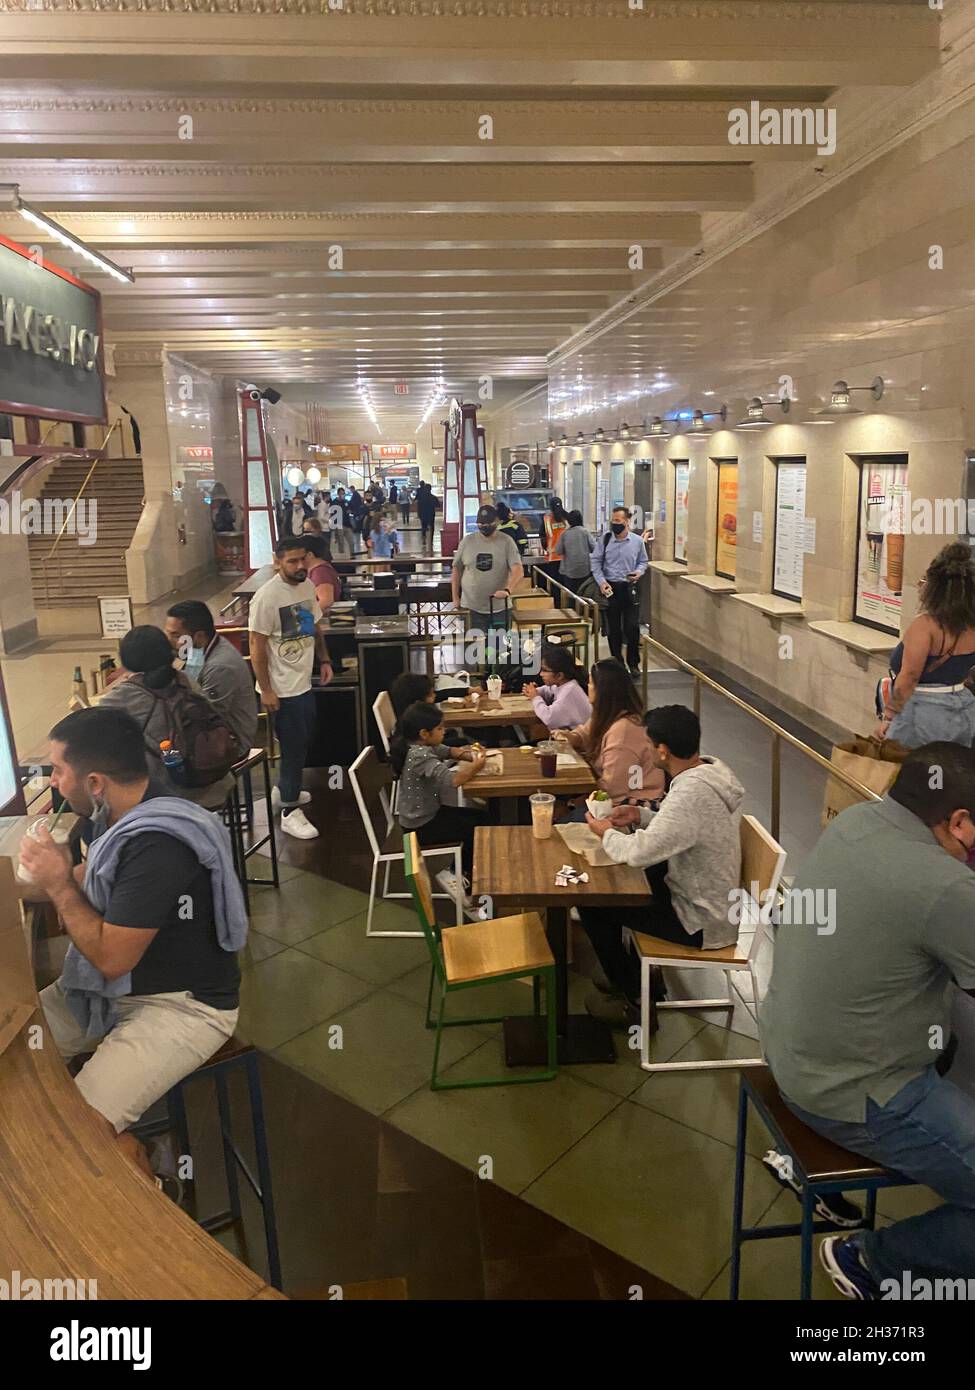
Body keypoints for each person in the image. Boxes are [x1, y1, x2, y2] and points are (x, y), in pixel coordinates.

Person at [760, 742, 975, 1299]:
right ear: (959, 822)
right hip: (851, 1093)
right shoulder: (944, 885)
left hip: (788, 1051)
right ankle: (872, 1260)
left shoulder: (856, 820)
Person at [20, 706, 245, 1189]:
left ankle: (151, 1181)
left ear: (96, 782)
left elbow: (111, 956)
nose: (53, 783)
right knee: (14, 1053)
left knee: (73, 1135)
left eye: (58, 771)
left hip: (182, 1007)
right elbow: (89, 878)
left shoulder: (156, 845)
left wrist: (58, 886)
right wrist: (29, 881)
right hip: (118, 989)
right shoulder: (121, 812)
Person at [580, 703, 744, 1027]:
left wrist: (606, 832)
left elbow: (640, 852)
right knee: (619, 881)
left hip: (699, 920)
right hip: (706, 898)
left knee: (594, 901)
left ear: (663, 751)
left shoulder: (689, 794)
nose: (648, 750)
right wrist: (640, 816)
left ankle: (634, 999)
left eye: (650, 744)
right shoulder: (706, 774)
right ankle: (635, 976)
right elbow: (684, 831)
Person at [248, 536, 333, 840]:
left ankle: (287, 789)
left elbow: (315, 625)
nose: (298, 566)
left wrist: (324, 660)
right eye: (291, 561)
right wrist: (267, 689)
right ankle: (288, 809)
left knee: (301, 741)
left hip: (302, 681)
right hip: (282, 688)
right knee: (294, 746)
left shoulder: (307, 586)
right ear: (277, 561)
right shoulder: (267, 597)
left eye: (302, 560)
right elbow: (256, 645)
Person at [99, 625, 234, 810]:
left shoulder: (123, 697)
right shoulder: (184, 680)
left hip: (170, 798)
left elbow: (92, 729)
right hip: (216, 784)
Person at [875, 542, 975, 748]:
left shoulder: (925, 626)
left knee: (907, 773)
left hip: (921, 714)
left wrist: (889, 717)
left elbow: (909, 677)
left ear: (935, 587)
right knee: (951, 774)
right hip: (963, 710)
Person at [390, 700, 487, 907]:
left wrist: (466, 753)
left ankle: (456, 870)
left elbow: (446, 750)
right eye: (440, 728)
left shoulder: (419, 745)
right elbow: (454, 781)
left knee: (482, 819)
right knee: (477, 829)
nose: (444, 731)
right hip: (420, 826)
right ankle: (458, 878)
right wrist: (477, 765)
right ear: (424, 734)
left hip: (424, 815)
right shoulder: (419, 755)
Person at [557, 658, 664, 807]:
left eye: (590, 683)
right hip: (607, 796)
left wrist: (576, 803)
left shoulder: (624, 730)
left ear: (602, 690)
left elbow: (613, 788)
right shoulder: (606, 715)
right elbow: (584, 733)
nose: (587, 687)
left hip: (632, 804)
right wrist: (570, 737)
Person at [164, 601, 258, 761]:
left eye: (176, 635)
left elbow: (205, 716)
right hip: (207, 730)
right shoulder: (197, 648)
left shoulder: (220, 667)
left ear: (199, 635)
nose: (169, 640)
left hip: (230, 742)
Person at [451, 504, 524, 656]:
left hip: (499, 608)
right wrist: (455, 597)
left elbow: (518, 570)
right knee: (474, 652)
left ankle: (497, 677)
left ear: (496, 522)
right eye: (481, 523)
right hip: (471, 607)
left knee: (500, 650)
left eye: (488, 523)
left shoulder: (507, 542)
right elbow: (456, 569)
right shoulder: (467, 542)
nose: (484, 526)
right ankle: (479, 677)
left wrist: (508, 590)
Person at [592, 505, 648, 676]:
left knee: (632, 627)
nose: (614, 523)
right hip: (611, 588)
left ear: (627, 521)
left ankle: (633, 662)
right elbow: (595, 562)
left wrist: (638, 572)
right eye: (613, 520)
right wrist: (602, 582)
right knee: (614, 628)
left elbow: (643, 561)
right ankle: (617, 661)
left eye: (618, 521)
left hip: (630, 587)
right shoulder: (605, 540)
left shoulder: (637, 541)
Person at [522, 645, 592, 730]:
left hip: (581, 740)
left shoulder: (569, 691)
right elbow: (548, 690)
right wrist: (534, 691)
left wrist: (535, 698)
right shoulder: (562, 685)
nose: (541, 674)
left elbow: (549, 718)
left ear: (559, 675)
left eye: (545, 670)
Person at [302, 518, 341, 612]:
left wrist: (304, 619)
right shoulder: (316, 570)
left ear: (310, 555)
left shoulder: (320, 572)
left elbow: (326, 601)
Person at [554, 508, 595, 593]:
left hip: (568, 572)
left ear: (569, 521)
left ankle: (571, 606)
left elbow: (558, 551)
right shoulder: (585, 532)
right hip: (584, 570)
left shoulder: (565, 534)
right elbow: (595, 548)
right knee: (584, 593)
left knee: (570, 595)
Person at [539, 497, 570, 576]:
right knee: (567, 586)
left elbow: (543, 538)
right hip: (569, 558)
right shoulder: (569, 518)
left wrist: (547, 549)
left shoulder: (546, 519)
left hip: (553, 557)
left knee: (555, 584)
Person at [329, 486, 355, 559]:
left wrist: (350, 511)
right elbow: (332, 514)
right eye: (341, 494)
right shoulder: (334, 502)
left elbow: (351, 509)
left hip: (347, 524)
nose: (342, 495)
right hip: (339, 524)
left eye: (343, 494)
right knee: (341, 542)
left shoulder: (346, 502)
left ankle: (352, 555)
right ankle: (342, 556)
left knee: (351, 541)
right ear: (338, 494)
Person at [416, 481, 439, 551]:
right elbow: (437, 505)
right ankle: (431, 540)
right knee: (432, 527)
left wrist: (419, 514)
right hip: (431, 514)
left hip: (423, 514)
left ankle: (424, 539)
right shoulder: (433, 497)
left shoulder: (421, 497)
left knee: (423, 526)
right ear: (430, 489)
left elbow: (418, 506)